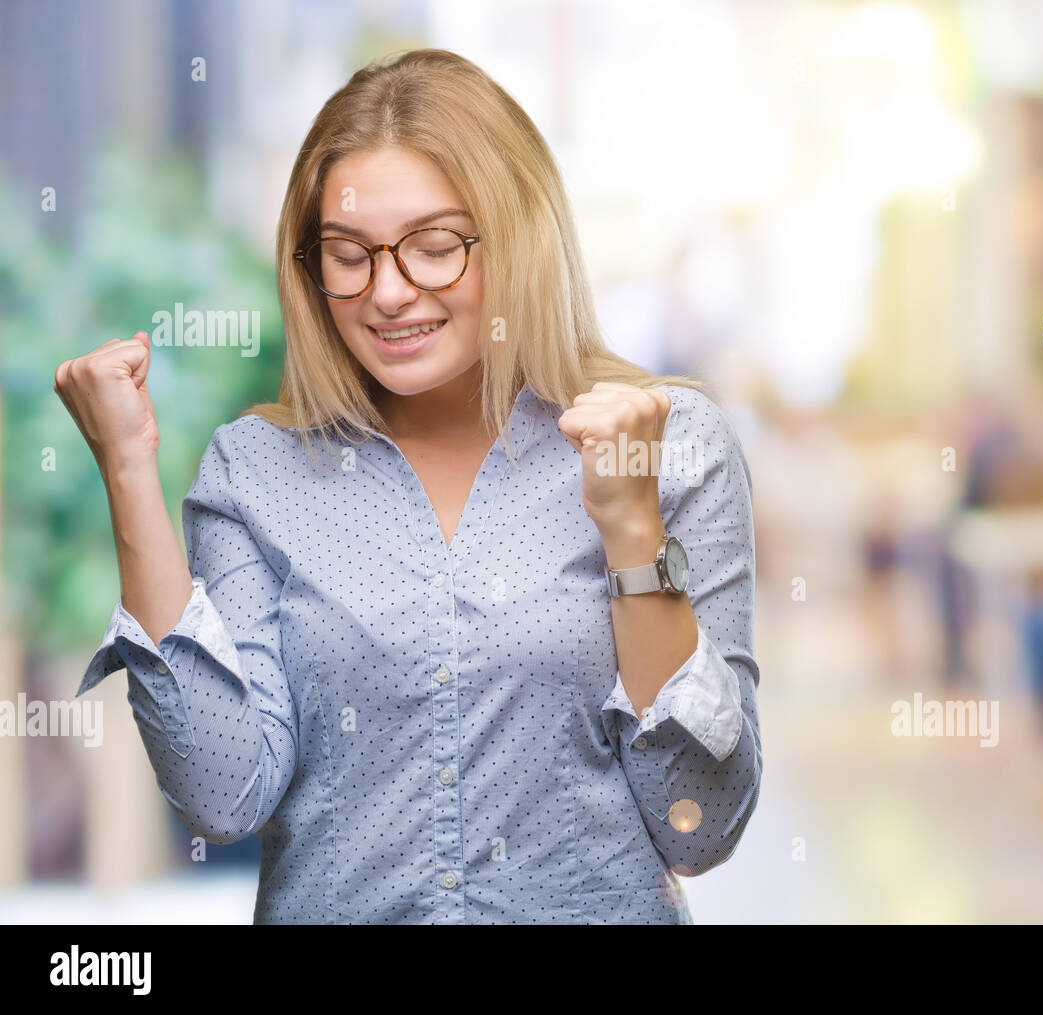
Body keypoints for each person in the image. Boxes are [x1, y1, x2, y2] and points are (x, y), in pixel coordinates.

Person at [54, 49, 761, 925]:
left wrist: (631, 528)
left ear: (521, 234)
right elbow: (223, 794)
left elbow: (700, 822)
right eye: (347, 254)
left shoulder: (674, 445)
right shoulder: (256, 473)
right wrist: (127, 466)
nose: (388, 293)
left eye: (435, 247)